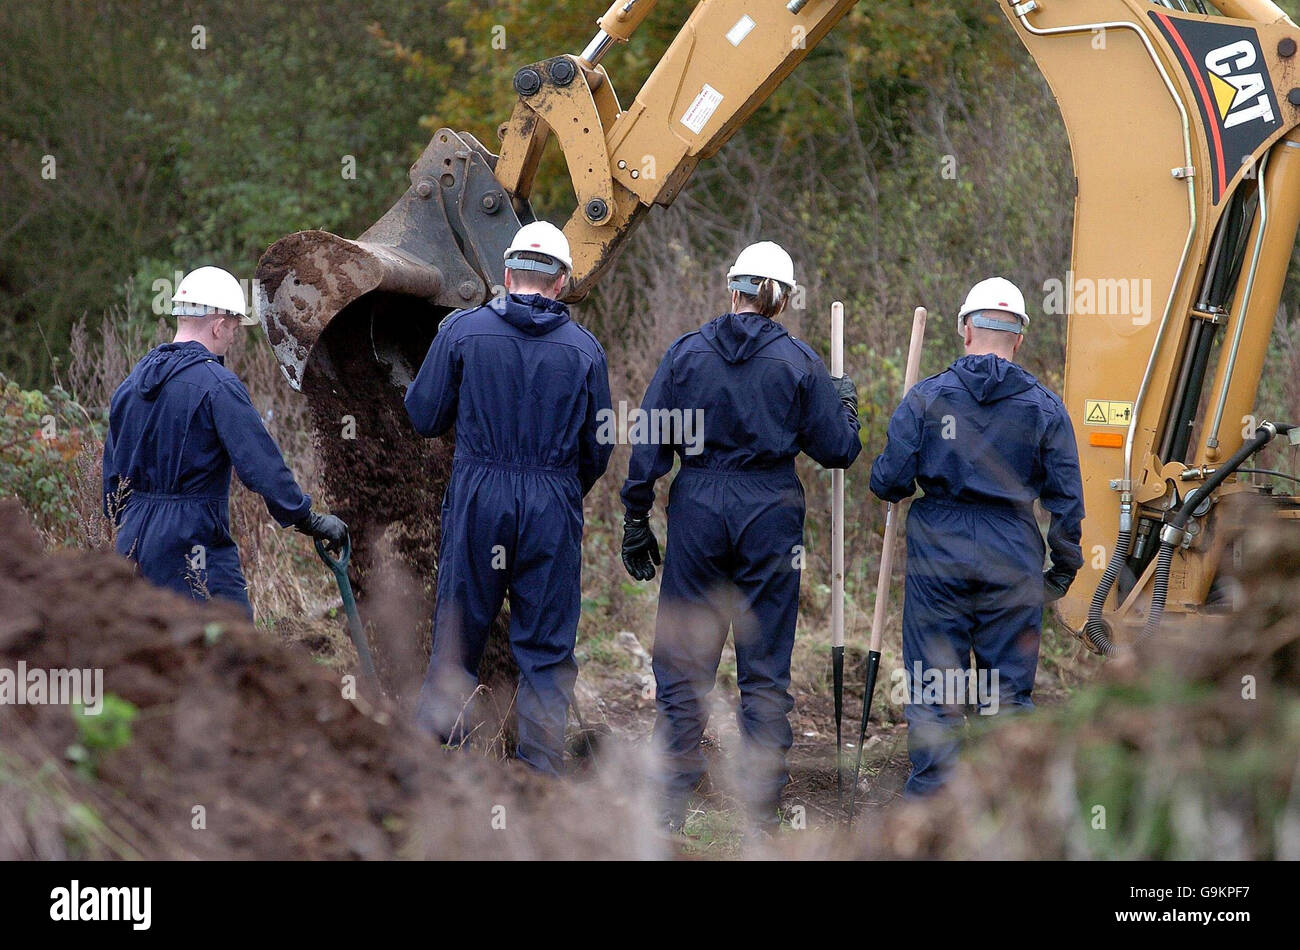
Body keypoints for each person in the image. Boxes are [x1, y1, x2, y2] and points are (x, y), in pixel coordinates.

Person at [620, 241, 861, 831]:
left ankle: (668, 806)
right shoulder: (799, 363)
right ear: (781, 299)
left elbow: (649, 441)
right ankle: (759, 808)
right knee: (764, 663)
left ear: (734, 289)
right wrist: (845, 407)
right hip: (769, 512)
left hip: (698, 509)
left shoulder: (685, 354)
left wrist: (636, 515)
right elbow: (838, 450)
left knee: (683, 660)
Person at [405, 221, 613, 776]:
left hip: (480, 495)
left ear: (506, 273)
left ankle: (433, 768)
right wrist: (559, 491)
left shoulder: (461, 332)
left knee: (457, 637)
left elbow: (424, 416)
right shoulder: (585, 351)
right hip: (551, 501)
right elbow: (598, 447)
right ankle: (538, 780)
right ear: (561, 282)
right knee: (545, 649)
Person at [869, 276, 1085, 797]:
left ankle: (930, 810)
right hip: (1012, 552)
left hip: (938, 552)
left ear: (966, 330)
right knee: (1005, 694)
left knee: (935, 687)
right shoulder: (1045, 408)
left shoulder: (926, 398)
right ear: (1020, 338)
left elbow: (889, 481)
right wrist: (1063, 566)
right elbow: (1066, 500)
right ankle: (1003, 811)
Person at [104, 266, 348, 619]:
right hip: (192, 540)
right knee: (231, 641)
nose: (234, 337)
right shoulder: (218, 385)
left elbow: (112, 482)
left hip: (132, 541)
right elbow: (260, 464)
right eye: (234, 327)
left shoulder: (129, 386)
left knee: (148, 643)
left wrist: (130, 521)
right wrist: (304, 517)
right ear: (218, 325)